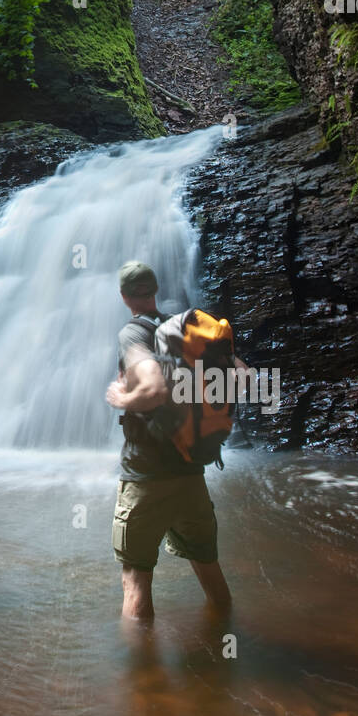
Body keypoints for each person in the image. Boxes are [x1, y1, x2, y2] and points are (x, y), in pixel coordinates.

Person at [105, 261, 232, 622]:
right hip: (190, 467)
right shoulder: (183, 333)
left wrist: (122, 399)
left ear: (124, 296)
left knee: (135, 580)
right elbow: (242, 374)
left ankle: (143, 676)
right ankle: (226, 644)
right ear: (155, 290)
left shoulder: (133, 334)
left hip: (146, 474)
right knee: (208, 567)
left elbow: (154, 390)